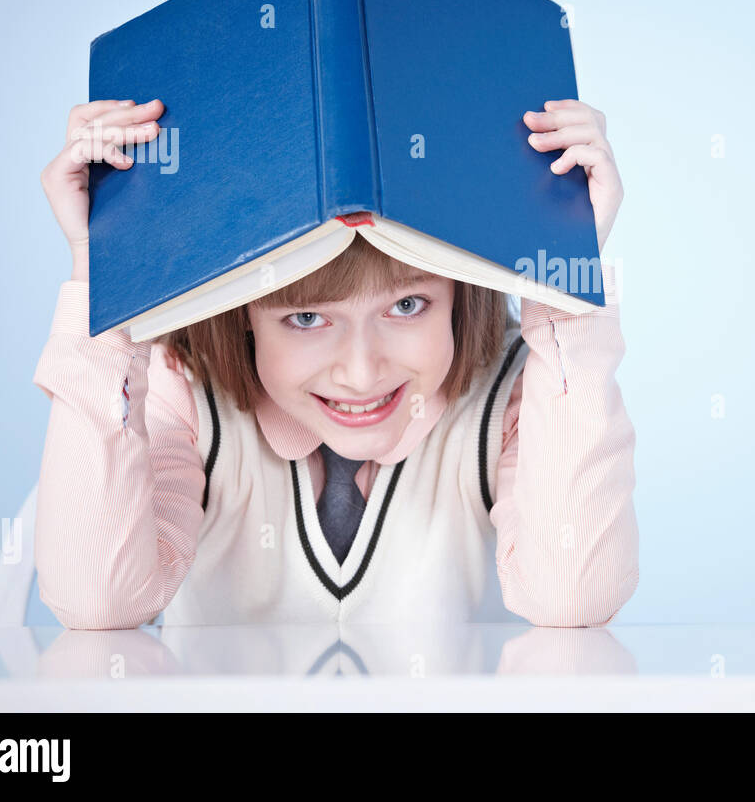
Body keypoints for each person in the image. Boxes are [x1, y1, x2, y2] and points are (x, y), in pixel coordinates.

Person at [33, 97, 638, 628]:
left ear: (461, 291)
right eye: (306, 318)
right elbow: (97, 604)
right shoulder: (186, 390)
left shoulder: (516, 391)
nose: (361, 373)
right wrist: (102, 274)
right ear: (241, 310)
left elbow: (573, 598)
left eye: (407, 304)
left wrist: (566, 280)